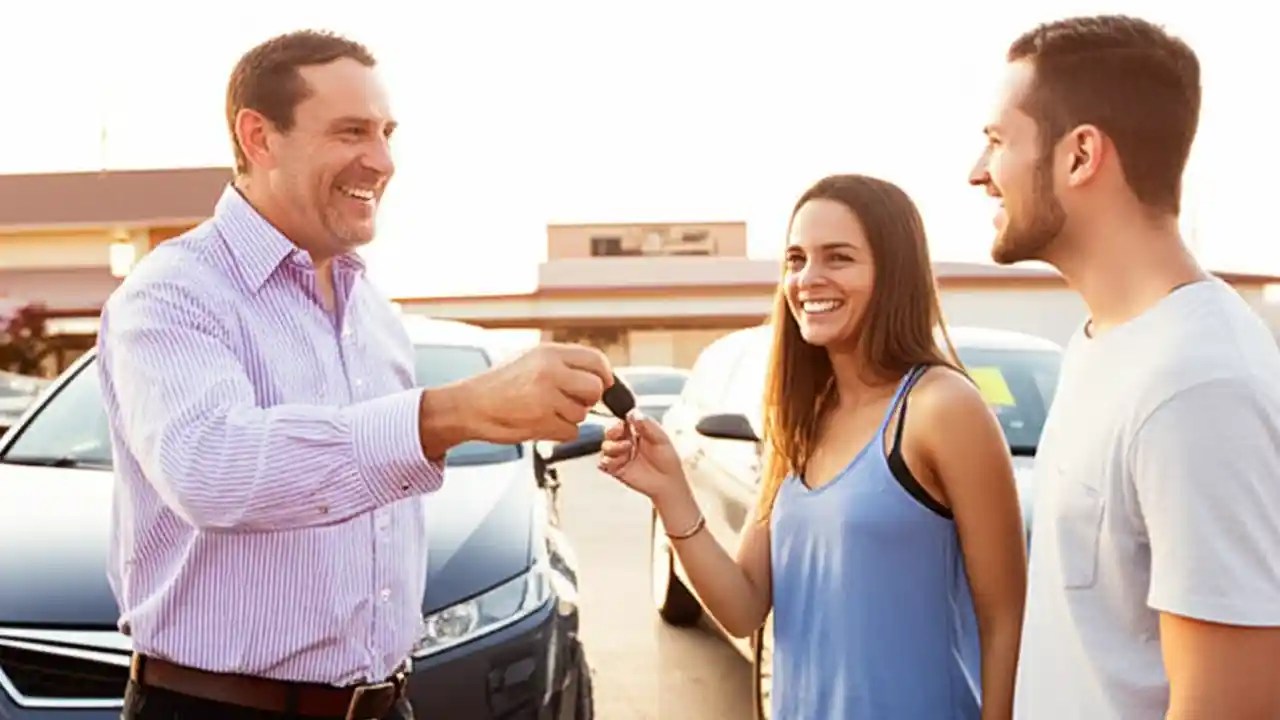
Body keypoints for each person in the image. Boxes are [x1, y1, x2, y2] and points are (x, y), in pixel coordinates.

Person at [97, 30, 613, 719]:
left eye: (386, 132)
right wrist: (452, 413)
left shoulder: (373, 312)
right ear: (259, 136)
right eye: (350, 132)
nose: (382, 160)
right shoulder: (171, 293)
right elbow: (210, 467)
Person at [599, 174, 1028, 719]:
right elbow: (743, 607)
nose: (808, 279)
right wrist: (669, 490)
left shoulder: (942, 407)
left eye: (839, 258)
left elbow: (1004, 619)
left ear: (894, 273)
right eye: (796, 259)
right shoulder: (801, 417)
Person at [968, 14, 1280, 720]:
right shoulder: (1105, 345)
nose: (978, 172)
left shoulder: (1199, 385)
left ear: (1080, 156)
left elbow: (1230, 706)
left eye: (996, 141)